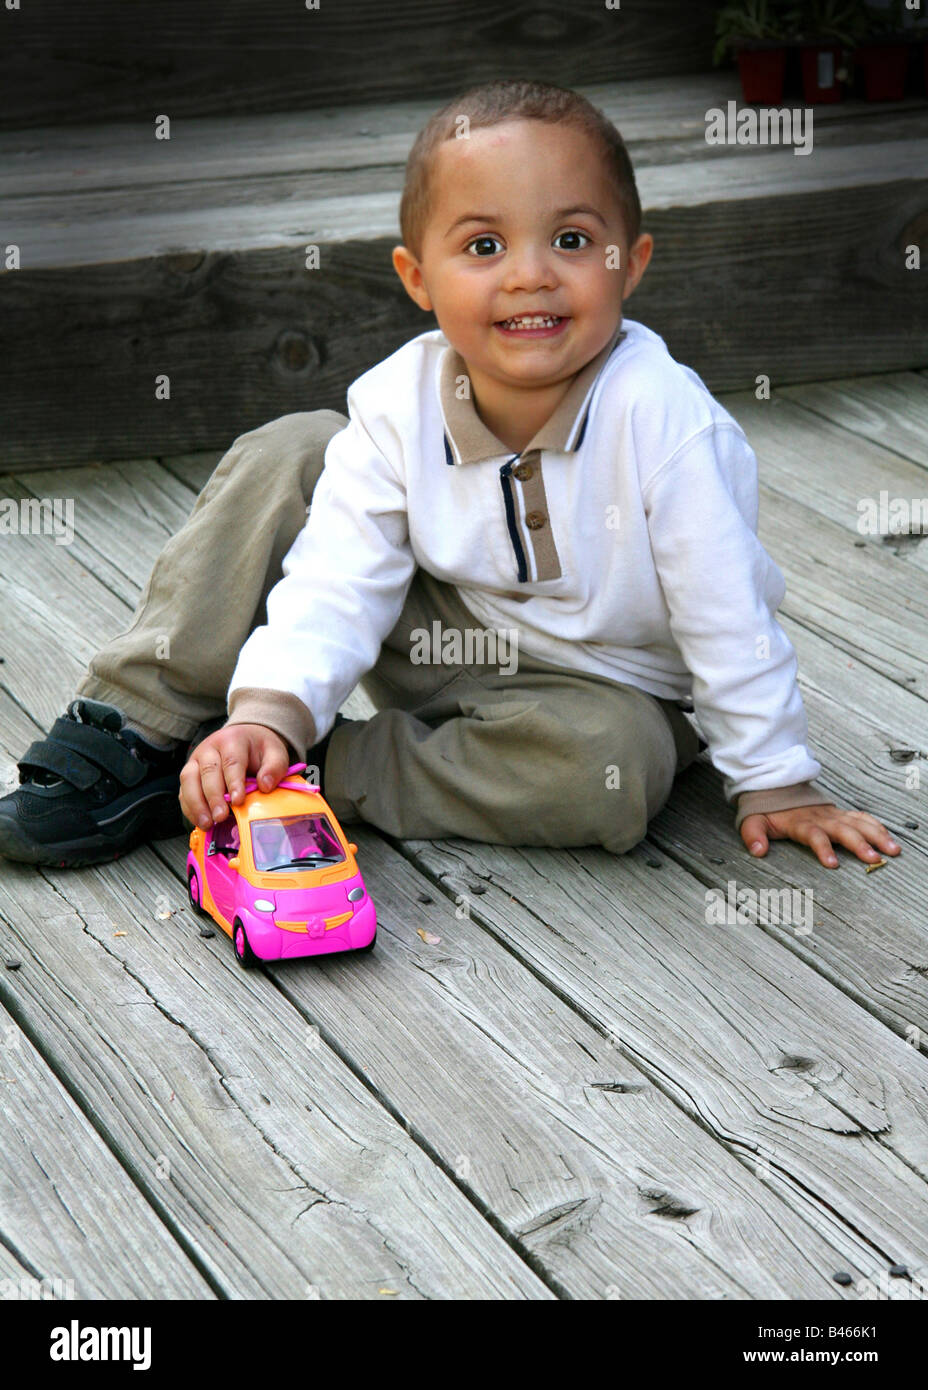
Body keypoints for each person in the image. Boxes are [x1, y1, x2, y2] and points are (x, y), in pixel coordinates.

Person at [0, 78, 900, 872]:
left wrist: (775, 780)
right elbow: (337, 581)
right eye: (483, 248)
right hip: (431, 633)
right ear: (416, 277)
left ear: (635, 262)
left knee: (613, 772)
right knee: (293, 449)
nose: (531, 276)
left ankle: (305, 774)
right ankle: (149, 724)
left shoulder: (661, 418)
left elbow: (726, 612)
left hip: (596, 691)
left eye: (574, 240)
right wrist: (272, 706)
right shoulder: (398, 404)